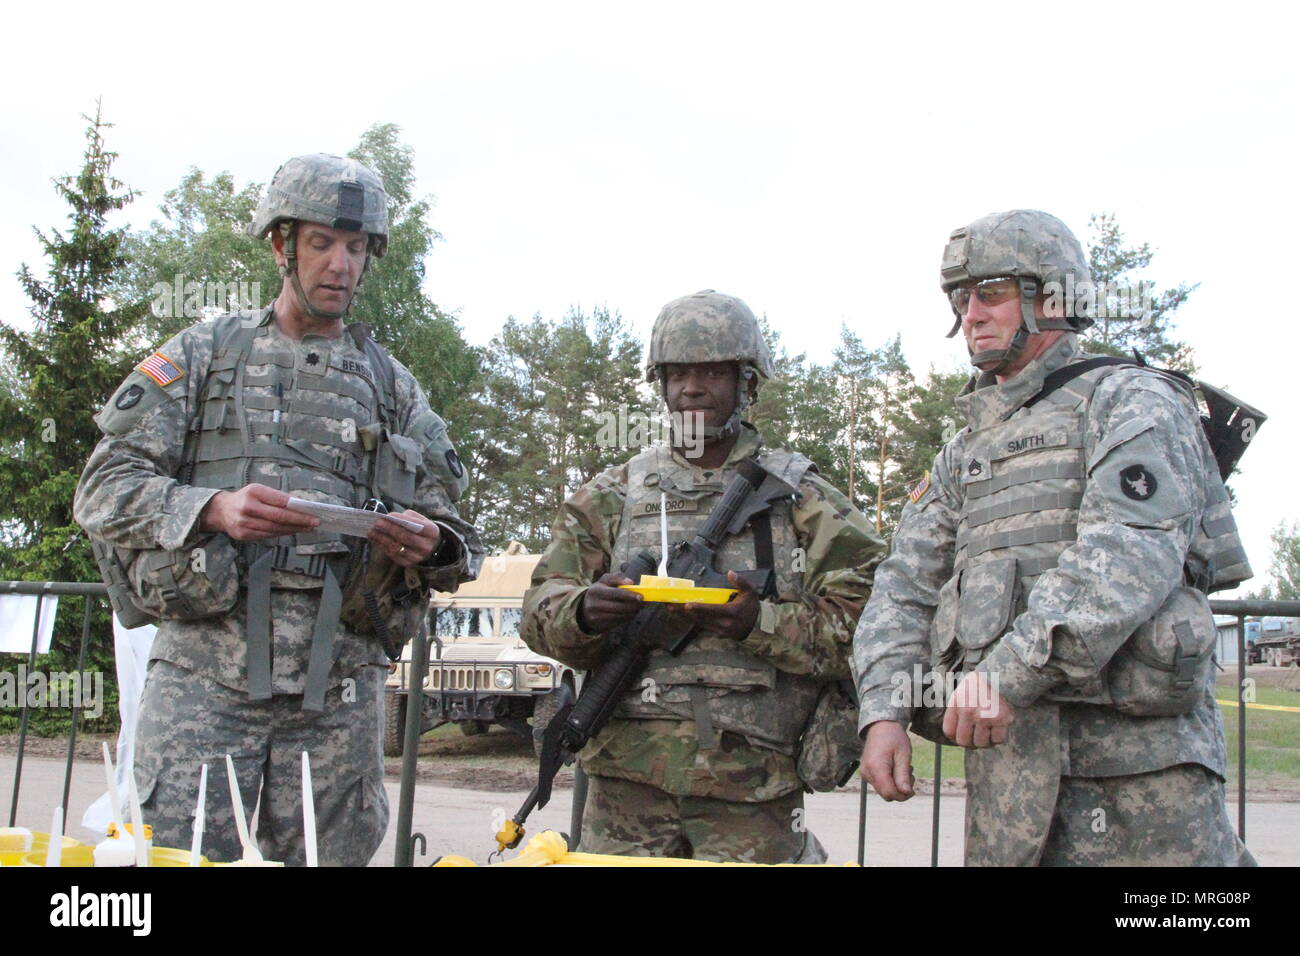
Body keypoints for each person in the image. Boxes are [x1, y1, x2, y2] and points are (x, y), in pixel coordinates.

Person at [74, 154, 482, 865]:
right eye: (323, 243)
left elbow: (460, 538)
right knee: (179, 859)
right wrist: (213, 507)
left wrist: (432, 542)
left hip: (339, 688)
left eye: (356, 248)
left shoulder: (392, 386)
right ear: (281, 246)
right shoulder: (204, 355)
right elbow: (102, 488)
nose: (341, 265)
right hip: (207, 673)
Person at [853, 209, 1255, 866]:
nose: (972, 313)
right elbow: (903, 587)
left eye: (993, 293)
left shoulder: (1130, 400)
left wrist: (1006, 676)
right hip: (1011, 794)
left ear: (1053, 297)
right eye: (962, 297)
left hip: (1142, 781)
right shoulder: (965, 453)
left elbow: (1127, 553)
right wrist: (885, 712)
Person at [521, 290, 884, 863]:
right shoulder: (613, 494)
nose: (692, 386)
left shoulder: (801, 498)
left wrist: (756, 622)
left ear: (747, 383)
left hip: (754, 788)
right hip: (625, 788)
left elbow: (874, 623)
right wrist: (586, 612)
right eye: (677, 372)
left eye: (712, 371)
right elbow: (540, 608)